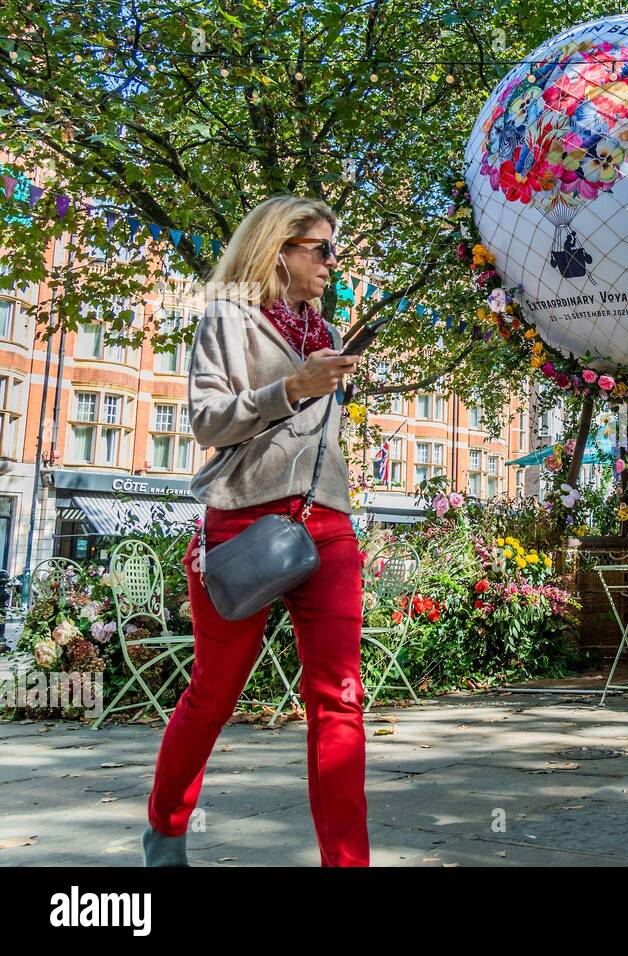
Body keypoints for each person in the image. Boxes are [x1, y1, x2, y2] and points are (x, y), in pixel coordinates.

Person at [141, 196, 368, 866]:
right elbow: (209, 422)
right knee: (215, 691)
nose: (333, 260)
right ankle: (167, 829)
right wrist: (293, 388)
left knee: (340, 701)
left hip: (328, 525)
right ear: (280, 250)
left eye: (335, 247)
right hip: (245, 520)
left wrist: (328, 382)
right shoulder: (228, 319)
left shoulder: (324, 328)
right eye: (321, 248)